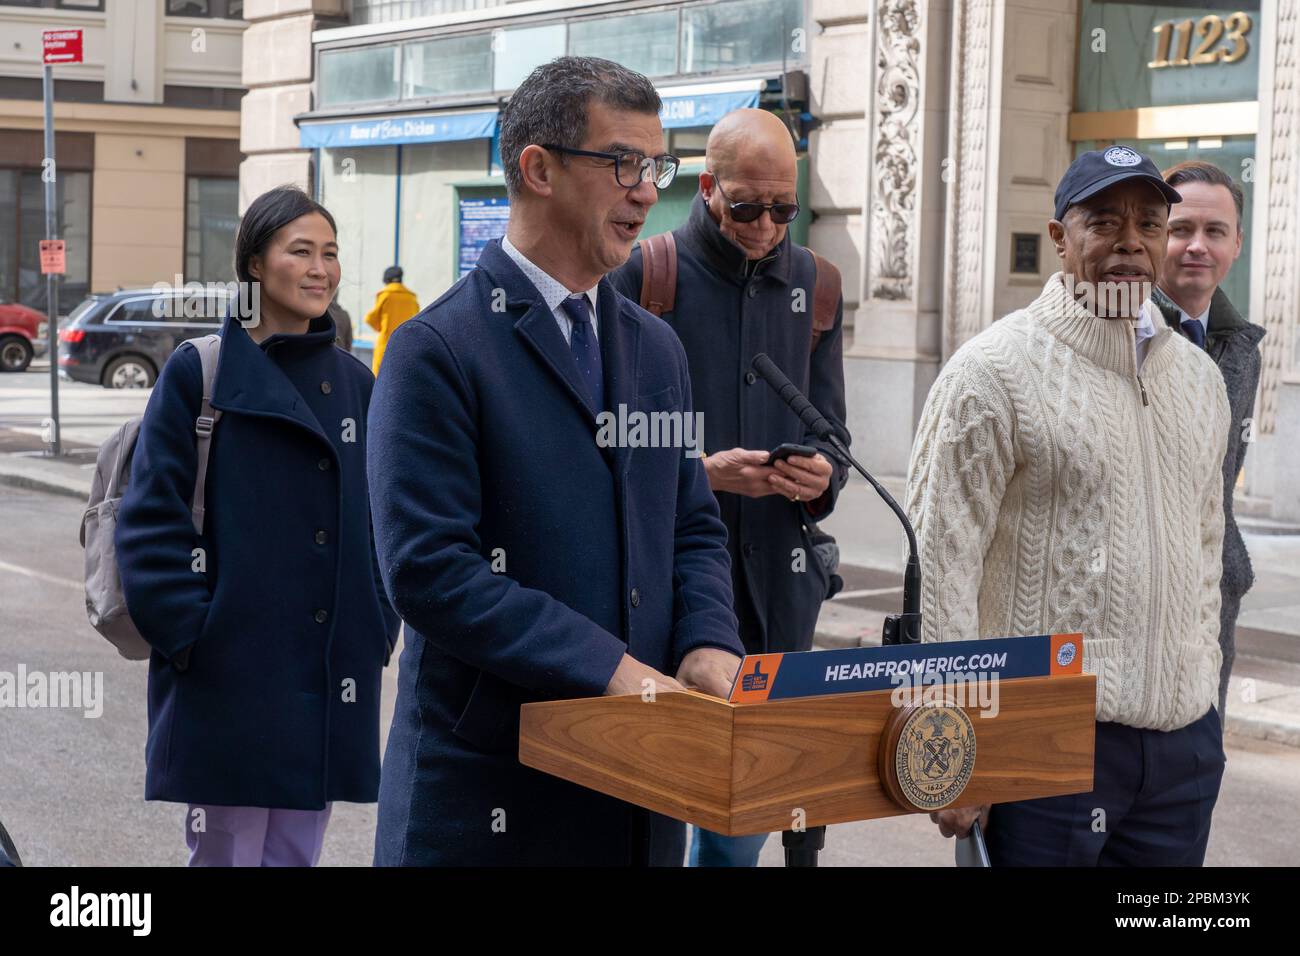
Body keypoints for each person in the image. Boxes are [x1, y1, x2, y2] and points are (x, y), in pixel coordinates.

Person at [367, 56, 745, 866]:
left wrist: (709, 640)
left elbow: (691, 526)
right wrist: (610, 670)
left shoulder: (656, 350)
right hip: (489, 803)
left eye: (657, 166)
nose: (647, 190)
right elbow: (431, 571)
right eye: (623, 163)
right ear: (536, 168)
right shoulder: (435, 350)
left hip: (639, 794)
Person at [907, 147, 1230, 865]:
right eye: (1103, 221)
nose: (1129, 242)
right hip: (1038, 742)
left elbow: (1208, 544)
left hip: (1182, 752)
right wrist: (950, 745)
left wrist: (1198, 679)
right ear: (1059, 237)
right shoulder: (991, 372)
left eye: (1149, 223)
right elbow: (940, 566)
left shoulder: (1200, 379)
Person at [116, 186, 400, 867]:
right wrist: (193, 636)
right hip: (229, 669)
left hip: (330, 669)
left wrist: (375, 624)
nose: (320, 269)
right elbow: (151, 521)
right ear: (252, 265)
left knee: (297, 854)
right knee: (226, 854)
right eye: (299, 251)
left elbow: (382, 519)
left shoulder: (356, 384)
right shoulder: (202, 372)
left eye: (330, 254)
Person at [610, 107, 850, 867]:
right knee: (652, 801)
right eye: (748, 207)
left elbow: (835, 434)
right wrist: (700, 471)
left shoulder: (817, 284)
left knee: (743, 813)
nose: (767, 225)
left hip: (778, 587)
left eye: (784, 208)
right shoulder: (645, 270)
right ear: (707, 187)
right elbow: (600, 430)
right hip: (667, 581)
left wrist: (820, 475)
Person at [1154, 160, 1265, 723]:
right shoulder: (1117, 332)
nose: (1197, 246)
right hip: (1135, 605)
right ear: (1155, 236)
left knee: (1194, 785)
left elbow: (1221, 481)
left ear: (1237, 243)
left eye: (1215, 232)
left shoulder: (1243, 348)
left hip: (1211, 607)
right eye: (1180, 230)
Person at [363, 266, 419, 375]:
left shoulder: (386, 295)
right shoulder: (412, 298)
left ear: (386, 280)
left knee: (381, 379)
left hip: (386, 345)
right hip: (407, 346)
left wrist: (380, 328)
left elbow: (370, 318)